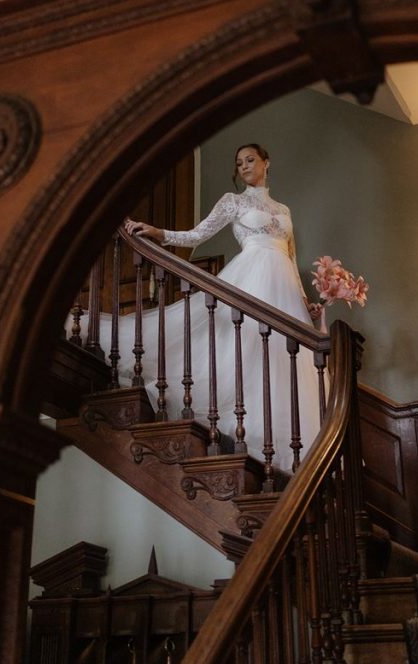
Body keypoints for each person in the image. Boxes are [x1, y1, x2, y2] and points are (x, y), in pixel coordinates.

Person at [121, 144, 324, 468]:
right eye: (239, 162)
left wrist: (307, 304)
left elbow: (291, 257)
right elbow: (197, 234)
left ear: (266, 162)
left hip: (283, 286)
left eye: (250, 160)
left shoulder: (284, 210)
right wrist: (159, 232)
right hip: (251, 278)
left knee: (284, 354)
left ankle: (281, 442)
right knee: (245, 348)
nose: (244, 166)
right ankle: (246, 430)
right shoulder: (234, 202)